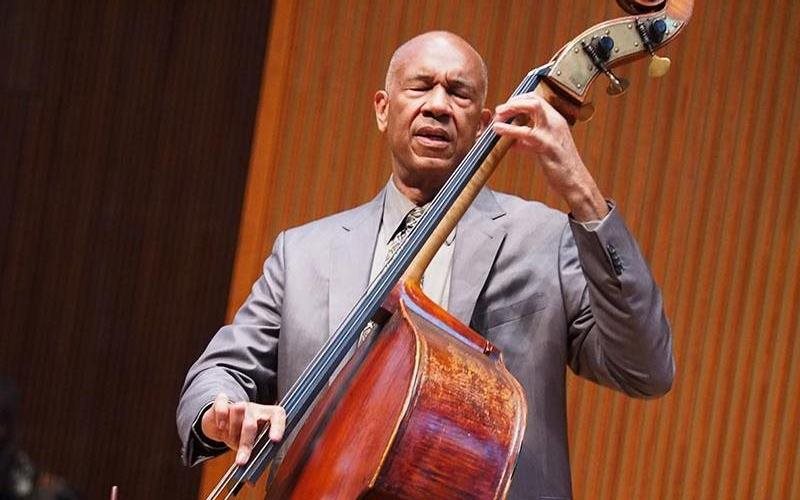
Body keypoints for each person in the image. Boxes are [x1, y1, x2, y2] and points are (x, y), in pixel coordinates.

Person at [177, 31, 674, 499]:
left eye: (459, 93)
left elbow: (646, 368)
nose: (438, 105)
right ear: (382, 109)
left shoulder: (545, 239)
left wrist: (581, 191)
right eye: (420, 86)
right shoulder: (302, 252)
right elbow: (219, 372)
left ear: (484, 124)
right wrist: (222, 411)